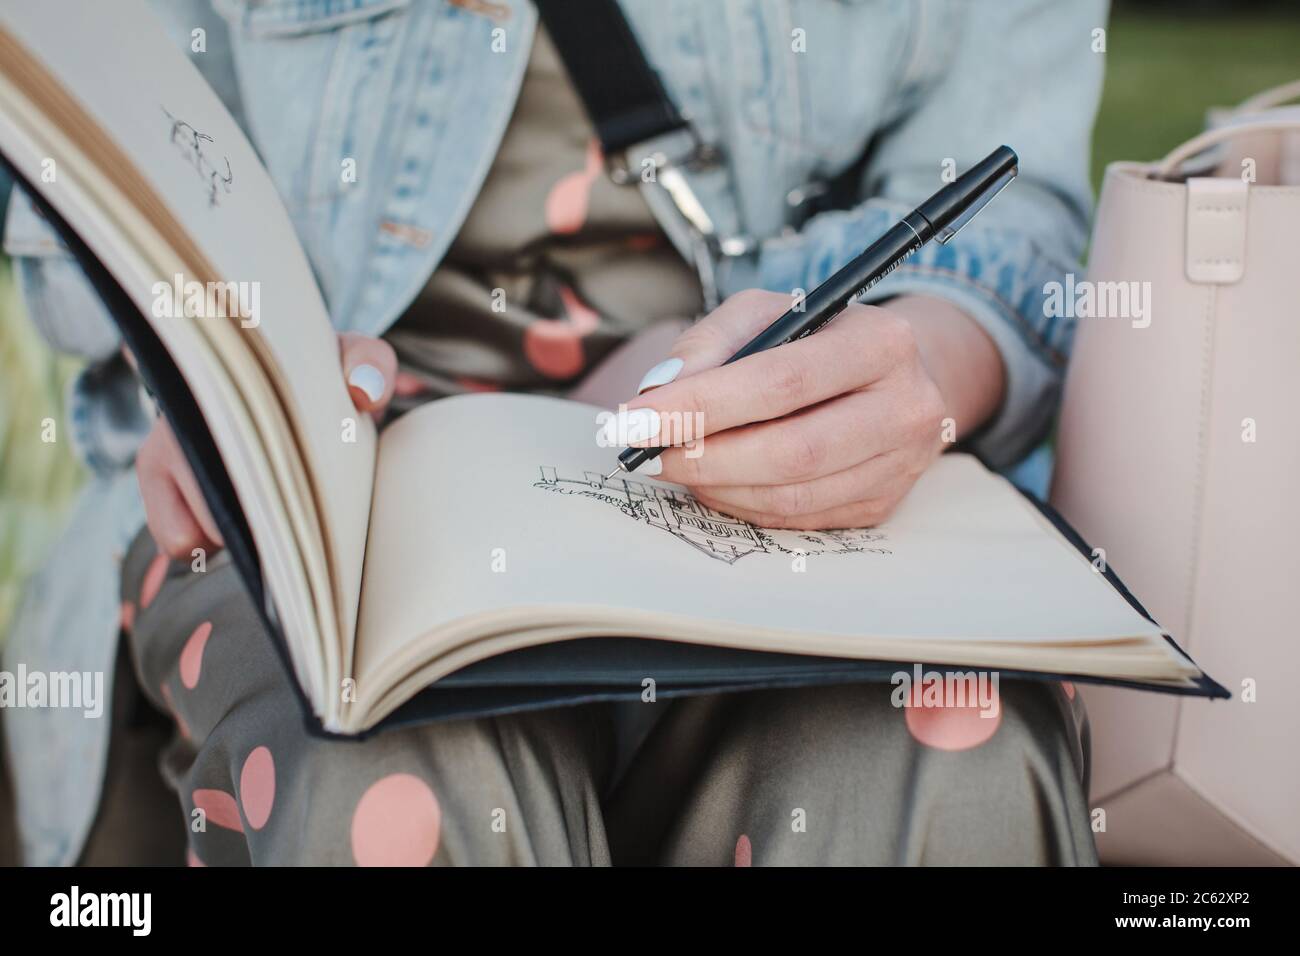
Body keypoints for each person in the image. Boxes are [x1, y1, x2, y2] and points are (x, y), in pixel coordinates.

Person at [4, 0, 1105, 865]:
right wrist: (236, 358)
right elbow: (98, 145)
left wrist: (913, 357)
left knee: (944, 744)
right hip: (336, 485)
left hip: (774, 479)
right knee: (382, 752)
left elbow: (1007, 206)